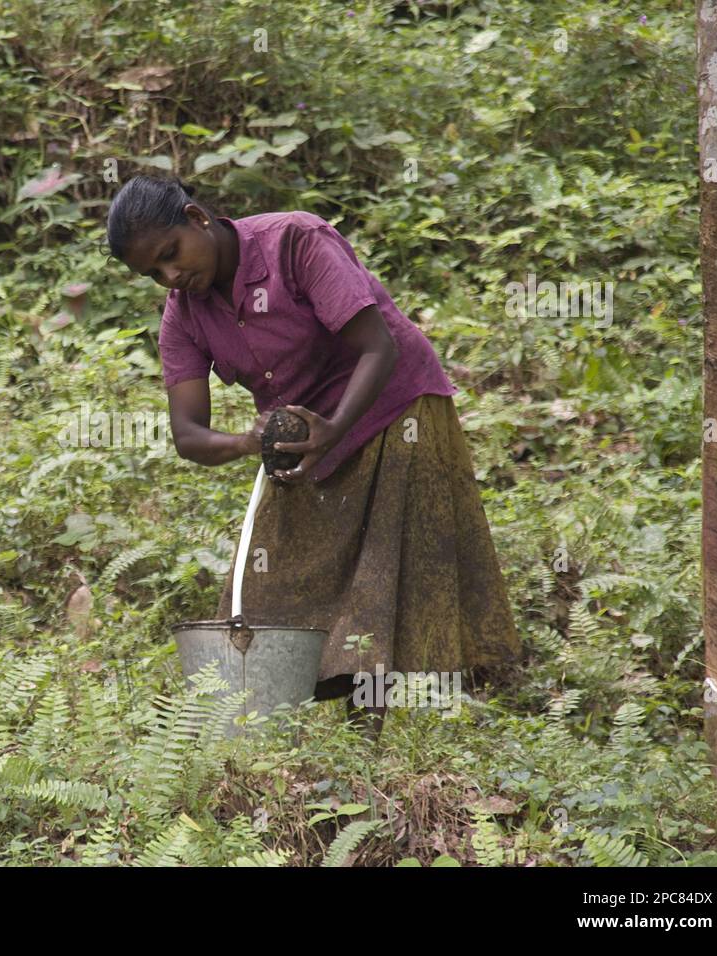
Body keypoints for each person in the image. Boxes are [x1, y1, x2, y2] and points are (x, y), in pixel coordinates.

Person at [105, 174, 524, 744]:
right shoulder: (184, 314)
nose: (171, 276)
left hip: (394, 410)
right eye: (153, 273)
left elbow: (380, 346)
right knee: (262, 597)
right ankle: (270, 750)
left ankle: (372, 744)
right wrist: (248, 442)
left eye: (170, 255)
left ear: (197, 217)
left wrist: (333, 429)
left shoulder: (295, 242)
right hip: (306, 439)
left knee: (382, 579)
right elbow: (188, 435)